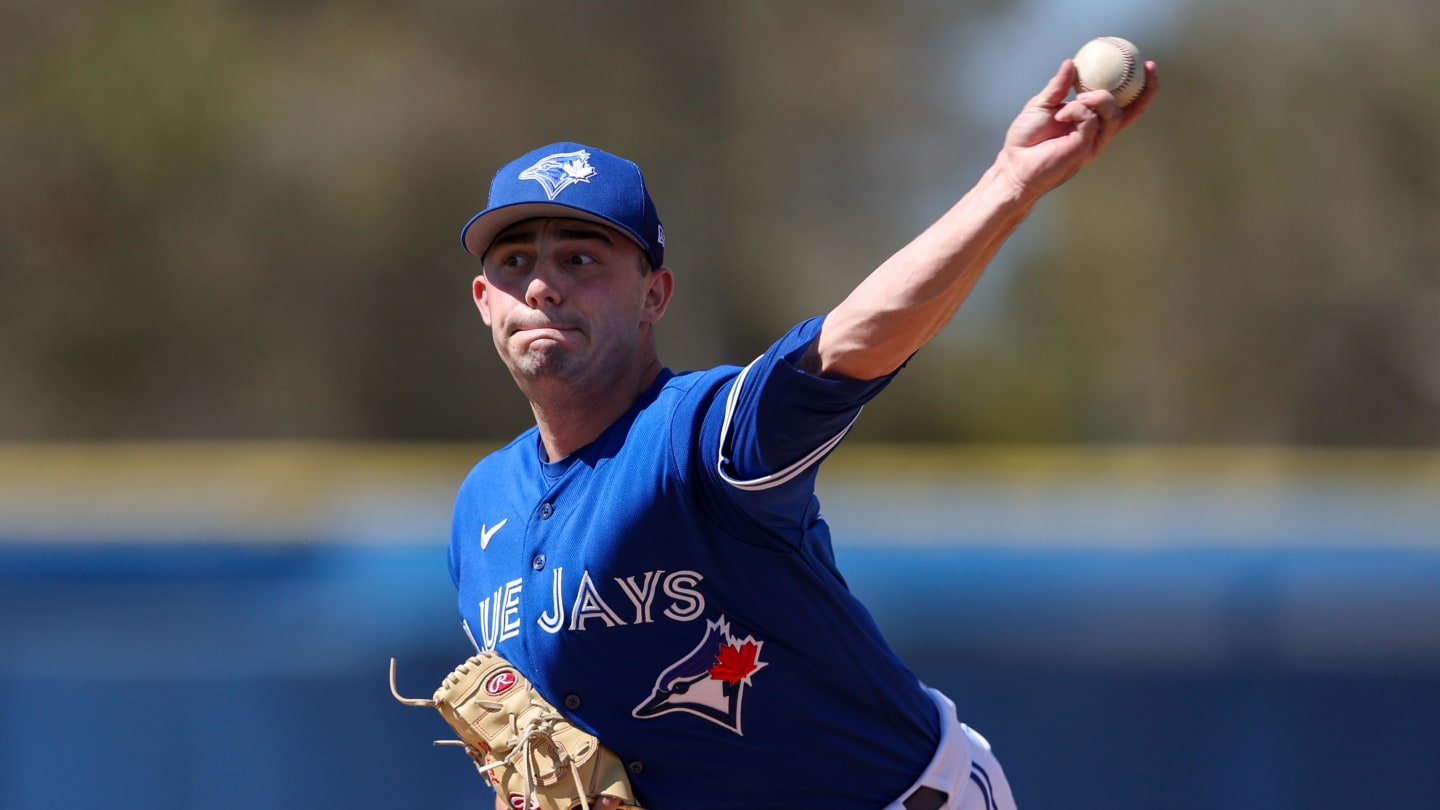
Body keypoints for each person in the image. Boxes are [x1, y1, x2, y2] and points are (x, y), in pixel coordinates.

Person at [447, 57, 1157, 810]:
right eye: (515, 262)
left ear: (654, 294)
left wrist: (1008, 187)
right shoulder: (481, 506)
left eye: (581, 258)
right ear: (484, 300)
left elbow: (847, 345)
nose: (543, 284)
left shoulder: (697, 436)